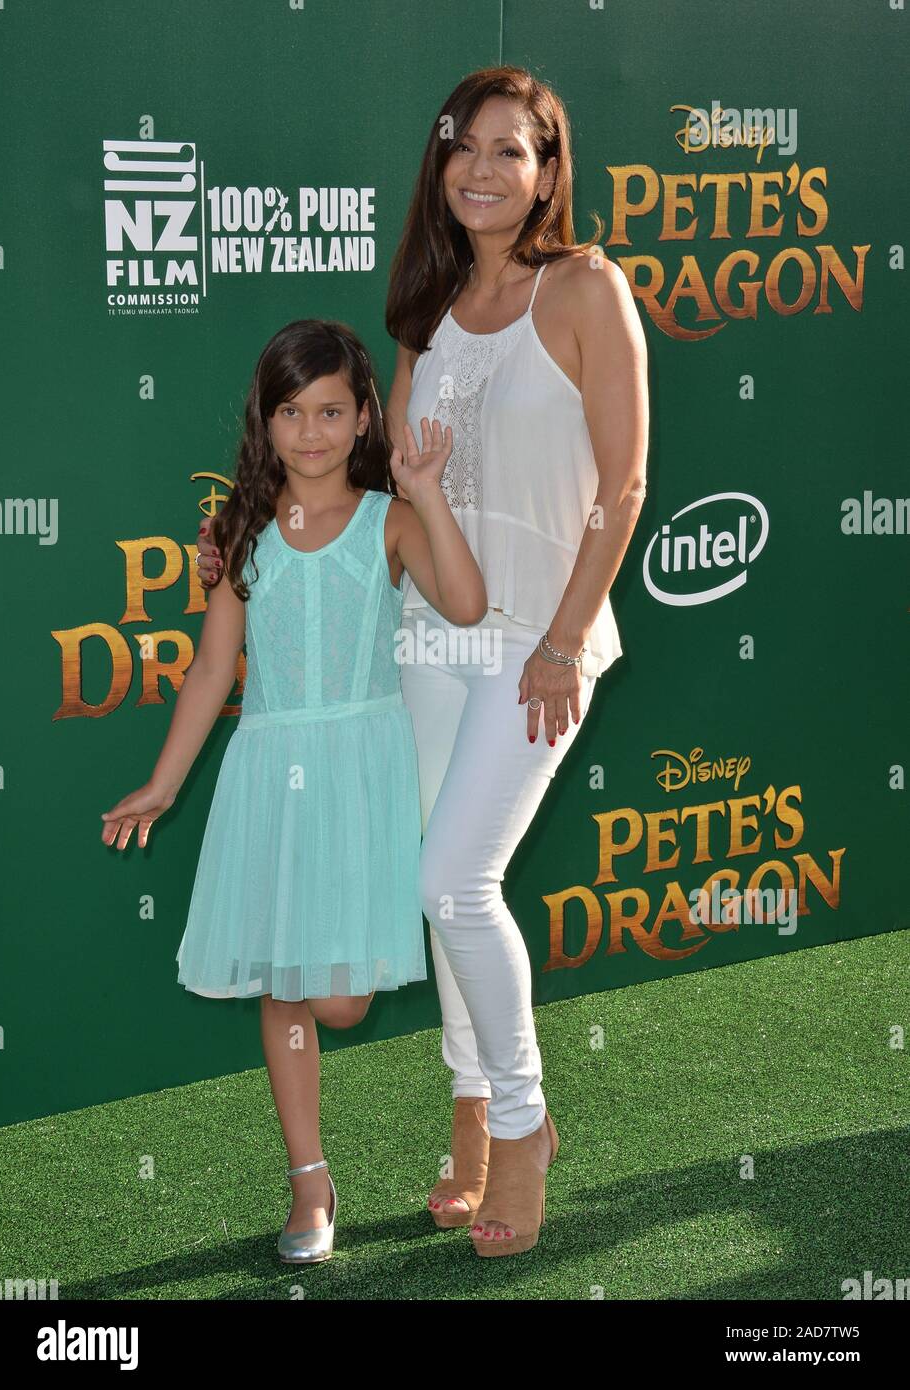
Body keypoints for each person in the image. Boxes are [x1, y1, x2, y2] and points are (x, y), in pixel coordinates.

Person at [198, 65, 649, 1259]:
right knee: (434, 887)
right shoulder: (429, 315)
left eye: (515, 150)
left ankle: (522, 1123)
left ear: (549, 168)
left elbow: (623, 485)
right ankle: (467, 1123)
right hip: (429, 639)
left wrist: (561, 640)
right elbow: (383, 494)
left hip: (537, 648)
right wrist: (254, 532)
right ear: (438, 164)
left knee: (456, 880)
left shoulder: (587, 288)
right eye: (466, 148)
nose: (484, 170)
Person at [101, 318, 486, 1266]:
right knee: (283, 980)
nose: (309, 431)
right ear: (263, 421)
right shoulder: (236, 533)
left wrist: (429, 494)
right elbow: (208, 671)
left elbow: (468, 605)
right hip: (270, 773)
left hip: (361, 772)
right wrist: (161, 782)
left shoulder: (387, 521)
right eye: (289, 411)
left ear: (363, 419)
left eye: (330, 410)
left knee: (343, 1000)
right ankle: (308, 1183)